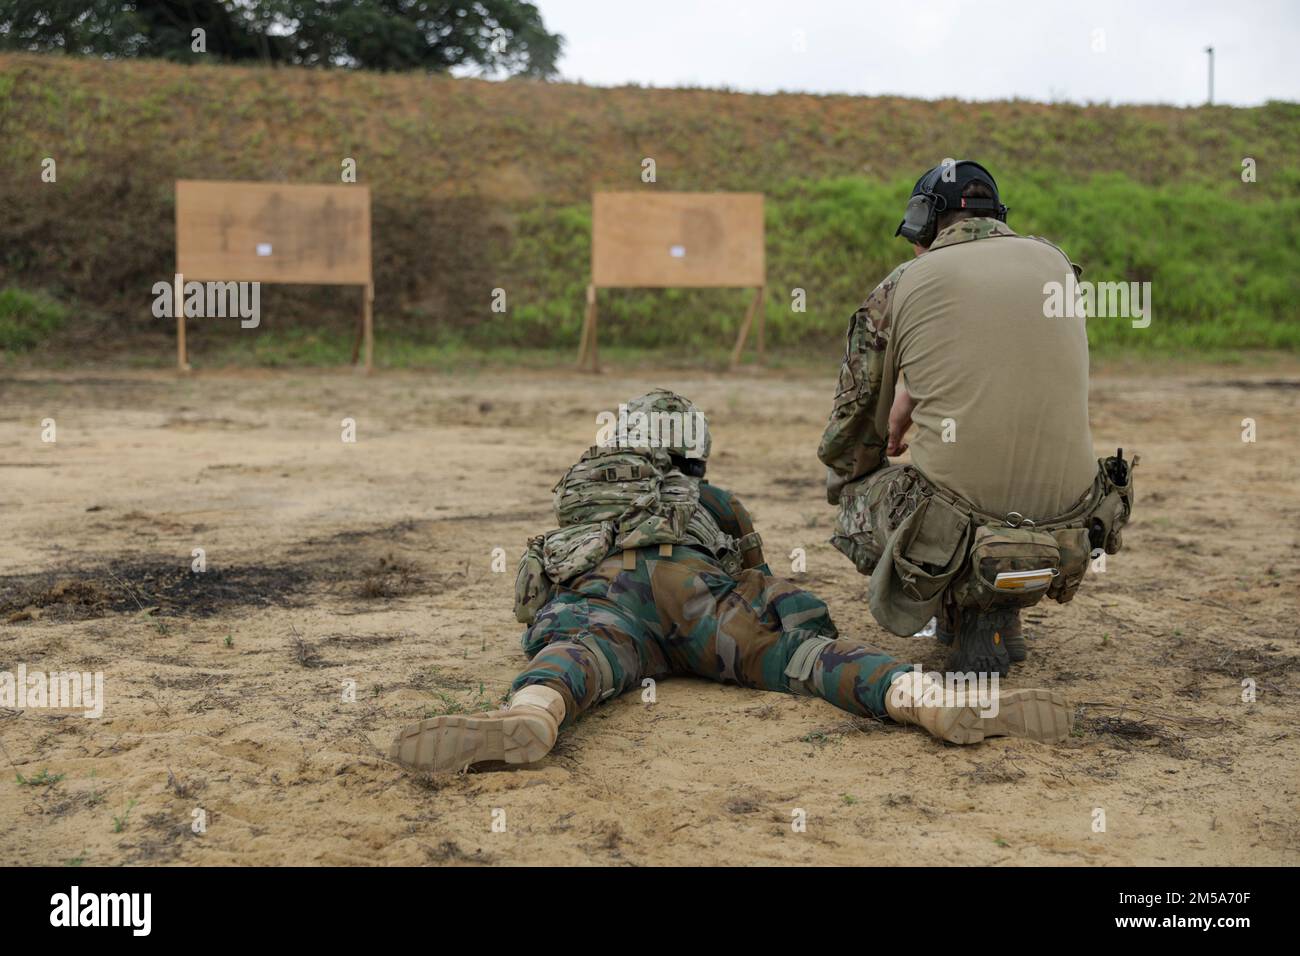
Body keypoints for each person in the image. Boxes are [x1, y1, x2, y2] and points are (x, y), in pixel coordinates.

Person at [391, 389, 1072, 773]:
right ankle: (920, 696)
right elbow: (759, 577)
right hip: (700, 602)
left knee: (576, 652)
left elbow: (543, 590)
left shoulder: (588, 495)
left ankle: (531, 714)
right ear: (693, 452)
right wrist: (780, 620)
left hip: (607, 598)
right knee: (803, 658)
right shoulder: (711, 502)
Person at [819, 160, 1135, 676]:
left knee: (860, 489)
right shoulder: (1056, 265)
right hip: (1077, 521)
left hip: (960, 529)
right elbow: (1005, 373)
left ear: (923, 223)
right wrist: (913, 394)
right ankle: (1001, 614)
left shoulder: (903, 282)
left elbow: (854, 419)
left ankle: (965, 612)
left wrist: (852, 471)